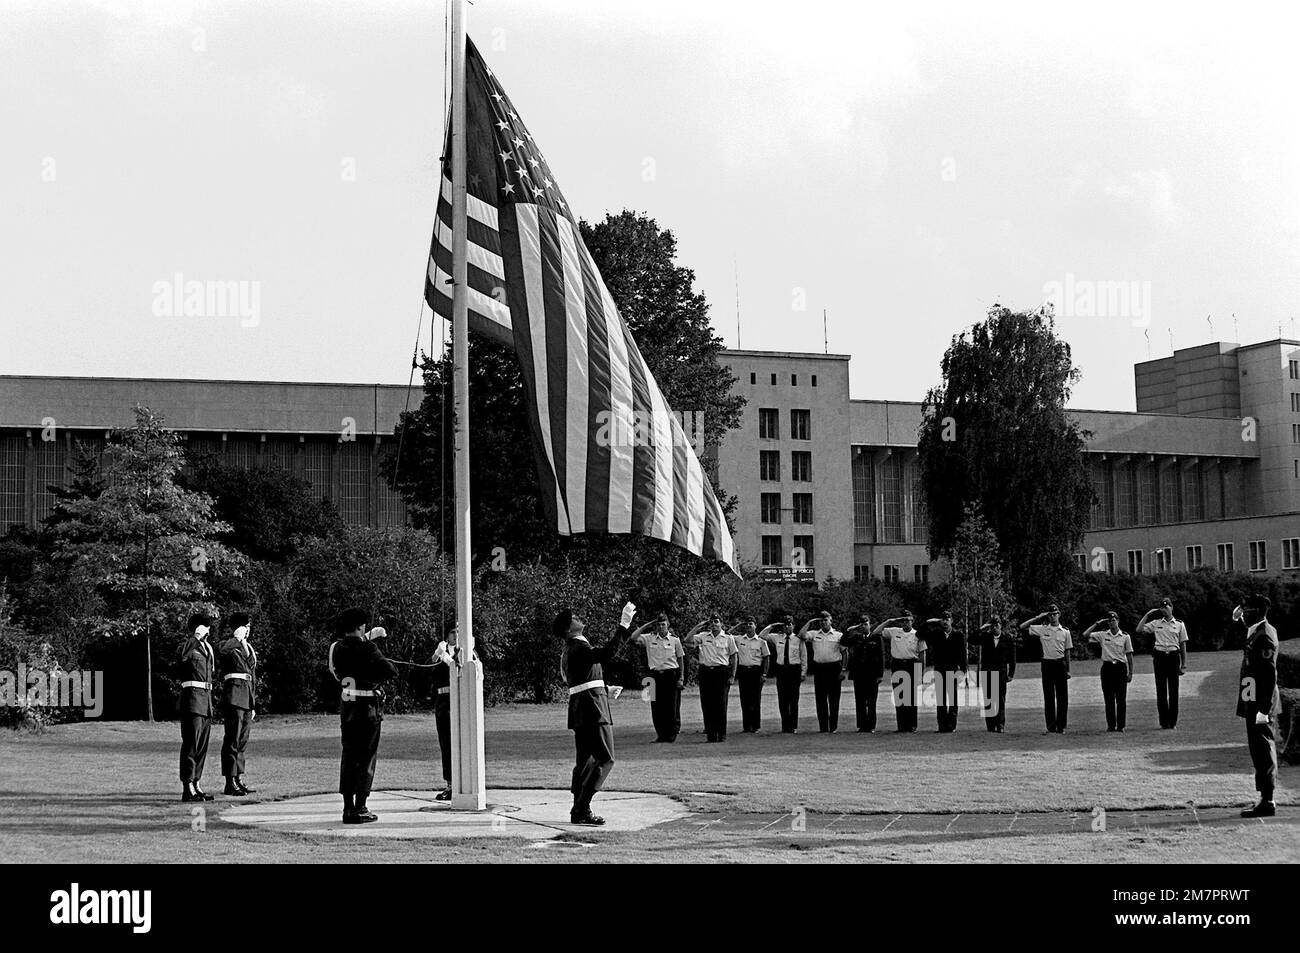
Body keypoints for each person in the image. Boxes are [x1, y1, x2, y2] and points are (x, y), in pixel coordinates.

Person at [558, 601, 635, 825]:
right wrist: (623, 626)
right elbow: (606, 653)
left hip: (584, 707)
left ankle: (577, 808)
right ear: (568, 629)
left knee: (585, 761)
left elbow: (582, 677)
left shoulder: (574, 648)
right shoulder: (578, 647)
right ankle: (582, 808)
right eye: (574, 617)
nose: (578, 617)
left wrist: (605, 689)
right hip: (592, 708)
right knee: (605, 758)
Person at [329, 609, 398, 824]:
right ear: (360, 627)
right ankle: (361, 806)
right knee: (366, 757)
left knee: (349, 756)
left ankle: (348, 807)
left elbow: (346, 656)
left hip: (348, 706)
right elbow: (390, 670)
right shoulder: (368, 648)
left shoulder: (338, 648)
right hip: (367, 708)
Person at [1234, 595, 1280, 818]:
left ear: (1258, 611)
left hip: (1261, 701)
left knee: (1263, 749)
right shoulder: (1256, 631)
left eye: (1246, 610)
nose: (1243, 614)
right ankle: (1264, 797)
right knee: (1257, 748)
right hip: (1252, 698)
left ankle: (1268, 800)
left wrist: (1262, 709)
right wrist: (1246, 704)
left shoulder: (1264, 636)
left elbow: (1269, 675)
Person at [218, 611, 258, 796]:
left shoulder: (245, 645)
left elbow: (251, 670)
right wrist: (238, 638)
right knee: (232, 740)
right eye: (246, 627)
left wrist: (253, 704)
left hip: (246, 697)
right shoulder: (228, 644)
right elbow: (223, 650)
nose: (248, 630)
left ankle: (238, 778)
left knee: (242, 741)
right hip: (234, 696)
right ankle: (229, 781)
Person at [178, 612, 216, 803]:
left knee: (201, 747)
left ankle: (197, 784)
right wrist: (195, 637)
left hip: (206, 701)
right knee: (191, 745)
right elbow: (182, 657)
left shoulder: (207, 648)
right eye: (205, 626)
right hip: (192, 700)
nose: (208, 630)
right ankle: (188, 787)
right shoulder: (189, 645)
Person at [629, 613, 684, 743]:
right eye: (658, 624)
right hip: (654, 676)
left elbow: (681, 658)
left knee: (670, 706)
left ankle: (671, 735)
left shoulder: (675, 640)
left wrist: (681, 677)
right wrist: (647, 625)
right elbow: (633, 637)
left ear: (668, 625)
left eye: (663, 624)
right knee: (656, 707)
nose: (661, 627)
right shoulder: (649, 638)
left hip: (670, 674)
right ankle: (661, 735)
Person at [683, 614, 738, 742]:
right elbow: (687, 639)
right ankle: (711, 734)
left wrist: (732, 675)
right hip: (706, 672)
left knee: (721, 704)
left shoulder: (728, 638)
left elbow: (734, 657)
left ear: (721, 623)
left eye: (716, 621)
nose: (713, 623)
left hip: (721, 672)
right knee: (707, 704)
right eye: (711, 621)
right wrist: (699, 626)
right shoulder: (703, 636)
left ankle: (721, 734)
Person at [1136, 598, 1189, 729]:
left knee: (1173, 691)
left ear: (1172, 607)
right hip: (1159, 658)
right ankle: (1164, 722)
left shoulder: (1179, 624)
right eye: (1162, 608)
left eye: (1167, 607)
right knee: (1161, 691)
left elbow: (1182, 645)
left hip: (1173, 657)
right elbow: (1139, 629)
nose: (1164, 610)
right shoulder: (1156, 623)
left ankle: (1173, 722)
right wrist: (1148, 614)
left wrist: (1184, 664)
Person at [1021, 604, 1072, 734]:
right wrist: (1038, 617)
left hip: (1060, 664)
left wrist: (1068, 670)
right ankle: (1051, 727)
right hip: (1047, 664)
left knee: (1062, 697)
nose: (1052, 616)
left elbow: (1067, 652)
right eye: (1050, 614)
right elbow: (1023, 626)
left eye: (1055, 614)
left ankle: (1061, 726)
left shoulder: (1065, 631)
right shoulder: (1043, 629)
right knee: (1049, 697)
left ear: (1059, 614)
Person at [1083, 611, 1133, 732]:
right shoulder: (1103, 635)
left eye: (1113, 620)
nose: (1111, 622)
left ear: (1118, 620)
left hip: (1120, 668)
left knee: (1121, 699)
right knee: (1109, 699)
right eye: (1109, 621)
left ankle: (1121, 726)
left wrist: (1130, 672)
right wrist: (1097, 623)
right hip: (1107, 668)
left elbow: (1129, 655)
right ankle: (1111, 726)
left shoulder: (1125, 636)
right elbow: (1085, 635)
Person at [798, 611, 846, 733]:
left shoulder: (838, 635)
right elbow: (801, 635)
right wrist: (809, 622)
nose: (823, 622)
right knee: (820, 700)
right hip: (819, 669)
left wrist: (843, 669)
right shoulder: (814, 634)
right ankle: (823, 728)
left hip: (834, 668)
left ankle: (833, 727)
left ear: (831, 620)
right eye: (821, 620)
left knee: (834, 700)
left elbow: (845, 653)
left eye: (826, 620)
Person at [876, 612, 925, 732]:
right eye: (903, 620)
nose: (905, 623)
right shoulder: (894, 631)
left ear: (912, 621)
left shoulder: (918, 634)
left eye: (908, 620)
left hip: (912, 665)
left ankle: (912, 726)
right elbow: (876, 632)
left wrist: (920, 672)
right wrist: (889, 621)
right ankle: (901, 726)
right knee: (899, 697)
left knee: (911, 698)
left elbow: (923, 654)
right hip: (897, 665)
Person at [922, 611, 968, 732]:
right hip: (939, 670)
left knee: (953, 700)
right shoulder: (936, 634)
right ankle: (942, 725)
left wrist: (963, 671)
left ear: (951, 621)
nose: (945, 622)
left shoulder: (958, 635)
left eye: (947, 619)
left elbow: (963, 656)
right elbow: (920, 634)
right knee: (940, 700)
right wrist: (930, 621)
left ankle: (951, 726)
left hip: (953, 670)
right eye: (943, 620)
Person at [761, 616, 806, 733]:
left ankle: (794, 726)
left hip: (794, 670)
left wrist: (803, 672)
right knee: (782, 699)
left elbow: (803, 656)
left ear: (794, 625)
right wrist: (773, 625)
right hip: (781, 670)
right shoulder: (777, 637)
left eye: (789, 624)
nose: (787, 627)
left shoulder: (798, 639)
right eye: (785, 625)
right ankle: (785, 726)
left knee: (794, 699)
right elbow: (762, 635)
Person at [842, 614, 885, 732]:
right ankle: (861, 726)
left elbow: (881, 656)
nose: (864, 626)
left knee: (871, 701)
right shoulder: (856, 637)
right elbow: (844, 641)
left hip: (872, 674)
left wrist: (880, 674)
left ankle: (871, 726)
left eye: (866, 624)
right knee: (860, 701)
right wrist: (851, 629)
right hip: (859, 674)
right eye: (862, 624)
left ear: (870, 624)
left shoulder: (876, 637)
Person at [974, 616, 1015, 732]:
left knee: (1000, 699)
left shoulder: (1008, 638)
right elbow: (971, 639)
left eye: (997, 625)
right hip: (987, 671)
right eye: (992, 625)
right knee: (988, 699)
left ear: (1001, 625)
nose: (995, 627)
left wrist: (1011, 673)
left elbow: (1012, 658)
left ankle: (1000, 725)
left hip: (1001, 672)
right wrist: (982, 628)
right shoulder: (985, 637)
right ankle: (991, 725)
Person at [730, 617, 770, 733]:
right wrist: (738, 624)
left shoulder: (761, 641)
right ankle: (746, 726)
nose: (748, 626)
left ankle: (755, 726)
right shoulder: (739, 639)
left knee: (755, 699)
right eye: (746, 624)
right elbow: (728, 633)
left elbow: (767, 658)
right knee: (744, 699)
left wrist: (764, 673)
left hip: (756, 672)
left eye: (750, 624)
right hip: (743, 672)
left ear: (755, 626)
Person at [431, 623, 457, 800]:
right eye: (453, 632)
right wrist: (437, 654)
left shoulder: (467, 650)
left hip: (459, 701)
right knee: (446, 743)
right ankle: (450, 784)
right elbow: (429, 669)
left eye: (458, 632)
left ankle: (461, 783)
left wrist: (448, 658)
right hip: (443, 701)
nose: (456, 635)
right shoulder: (441, 651)